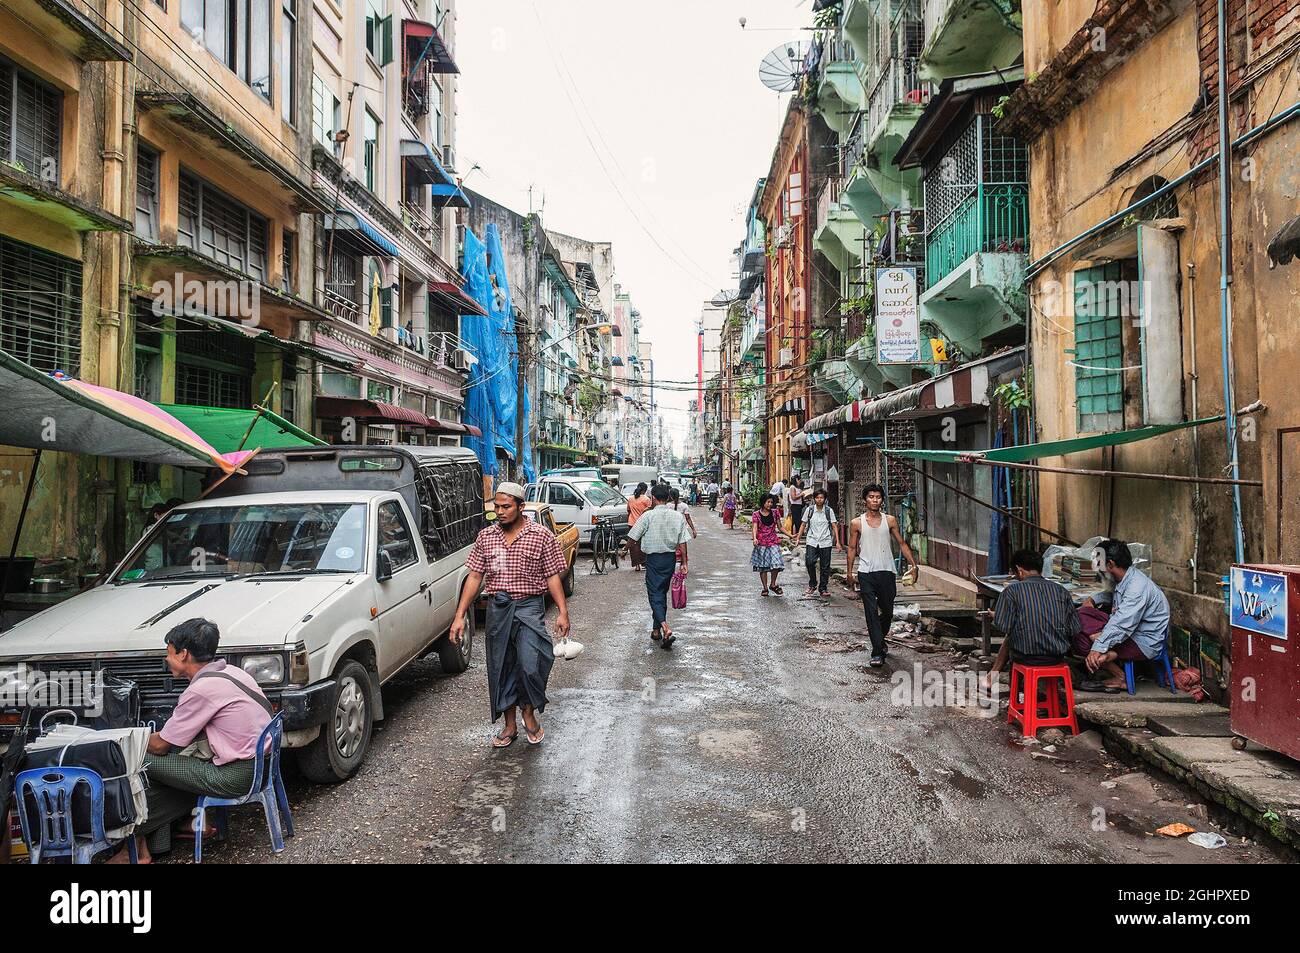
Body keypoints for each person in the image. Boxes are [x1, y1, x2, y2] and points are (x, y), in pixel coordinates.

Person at [110, 618, 272, 863]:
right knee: (167, 766)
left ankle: (134, 848)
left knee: (137, 758)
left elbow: (162, 745)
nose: (167, 660)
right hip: (262, 765)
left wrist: (122, 740)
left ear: (183, 654)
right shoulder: (231, 672)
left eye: (169, 653)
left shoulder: (201, 690)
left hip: (236, 775)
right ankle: (184, 828)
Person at [450, 483, 570, 746]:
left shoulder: (541, 536)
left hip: (529, 607)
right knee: (501, 665)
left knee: (532, 663)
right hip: (499, 608)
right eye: (497, 507)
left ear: (520, 507)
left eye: (506, 507)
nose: (500, 512)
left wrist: (563, 611)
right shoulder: (486, 537)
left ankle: (528, 711)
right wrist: (460, 615)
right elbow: (474, 577)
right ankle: (510, 725)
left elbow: (552, 576)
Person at [1076, 539, 1170, 692]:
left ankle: (1110, 658)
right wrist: (1093, 599)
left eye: (1099, 565)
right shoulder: (1123, 579)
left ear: (1110, 565)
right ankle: (1115, 668)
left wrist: (1099, 646)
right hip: (1127, 630)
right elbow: (1113, 595)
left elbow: (1122, 624)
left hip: (1142, 640)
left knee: (1087, 641)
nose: (1098, 570)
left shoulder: (1137, 587)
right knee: (1080, 620)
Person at [981, 549, 1080, 692]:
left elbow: (1004, 626)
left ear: (1020, 571)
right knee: (1019, 632)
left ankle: (995, 679)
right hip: (1057, 657)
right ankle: (993, 678)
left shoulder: (1011, 591)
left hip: (1027, 656)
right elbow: (1074, 628)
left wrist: (998, 616)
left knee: (1011, 636)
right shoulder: (1061, 591)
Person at [846, 483, 918, 667]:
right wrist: (849, 572)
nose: (874, 500)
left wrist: (913, 564)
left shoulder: (890, 520)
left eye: (878, 497)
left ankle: (880, 638)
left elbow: (901, 543)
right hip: (866, 572)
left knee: (887, 612)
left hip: (887, 571)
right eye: (871, 497)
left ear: (882, 500)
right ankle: (877, 652)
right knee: (870, 612)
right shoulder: (857, 523)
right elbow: (852, 548)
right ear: (865, 500)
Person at [627, 484, 692, 649]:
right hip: (670, 560)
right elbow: (682, 542)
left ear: (654, 498)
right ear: (668, 497)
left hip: (654, 560)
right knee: (661, 592)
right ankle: (656, 630)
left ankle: (665, 627)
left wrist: (626, 549)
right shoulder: (677, 516)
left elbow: (633, 537)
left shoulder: (648, 516)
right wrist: (684, 562)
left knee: (654, 593)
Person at [795, 487, 840, 597]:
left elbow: (834, 525)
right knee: (809, 562)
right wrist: (798, 538)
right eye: (817, 498)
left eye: (822, 498)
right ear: (814, 499)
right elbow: (803, 524)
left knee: (825, 566)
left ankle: (823, 588)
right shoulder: (809, 510)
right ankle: (813, 583)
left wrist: (838, 541)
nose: (819, 500)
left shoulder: (829, 511)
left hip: (826, 541)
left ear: (825, 499)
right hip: (812, 540)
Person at [751, 493, 786, 596]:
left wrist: (791, 535)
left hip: (773, 541)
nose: (770, 504)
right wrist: (755, 538)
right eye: (768, 502)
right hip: (761, 543)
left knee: (776, 563)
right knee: (763, 566)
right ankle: (765, 588)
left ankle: (773, 584)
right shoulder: (756, 514)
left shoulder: (775, 513)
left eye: (771, 502)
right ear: (763, 503)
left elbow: (780, 527)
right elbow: (754, 528)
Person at [625, 482, 653, 571]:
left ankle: (636, 565)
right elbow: (650, 512)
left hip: (631, 523)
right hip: (643, 524)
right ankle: (644, 563)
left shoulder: (630, 499)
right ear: (645, 490)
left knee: (633, 545)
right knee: (643, 544)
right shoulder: (646, 499)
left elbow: (628, 511)